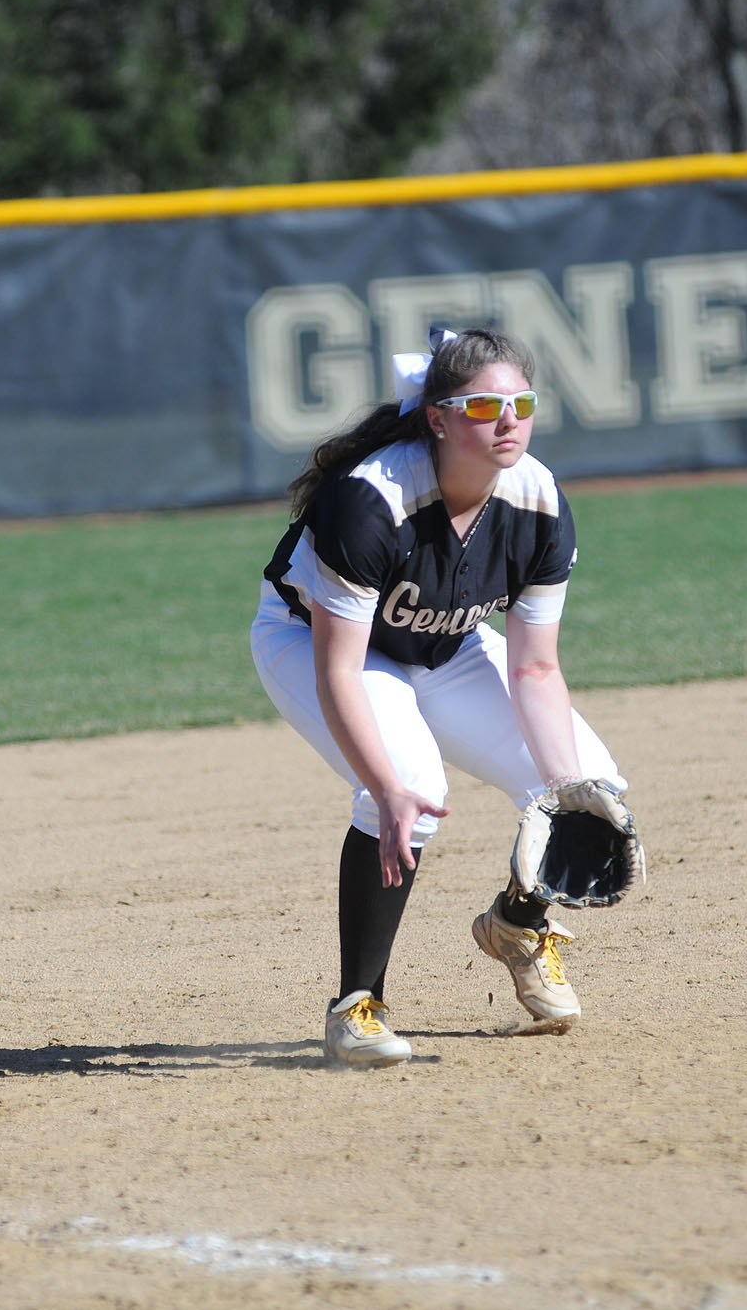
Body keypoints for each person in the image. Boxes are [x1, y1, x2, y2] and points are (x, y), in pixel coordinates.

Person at [249, 326, 629, 1068]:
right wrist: (385, 784)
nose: (509, 419)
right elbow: (338, 671)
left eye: (521, 402)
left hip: (445, 647)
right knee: (412, 786)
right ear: (438, 418)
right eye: (486, 405)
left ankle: (518, 924)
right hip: (314, 644)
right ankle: (357, 1006)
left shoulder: (538, 500)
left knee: (593, 783)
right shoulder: (373, 500)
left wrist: (562, 792)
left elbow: (536, 671)